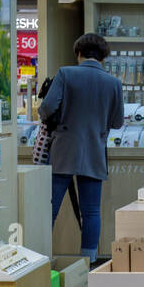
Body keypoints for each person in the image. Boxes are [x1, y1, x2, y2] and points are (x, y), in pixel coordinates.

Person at [39, 33, 124, 263]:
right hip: (94, 150)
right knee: (91, 212)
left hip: (63, 150)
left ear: (79, 53)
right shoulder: (113, 83)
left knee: (50, 209)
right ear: (103, 57)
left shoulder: (66, 74)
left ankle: (41, 258)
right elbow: (117, 122)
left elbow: (46, 108)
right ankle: (88, 262)